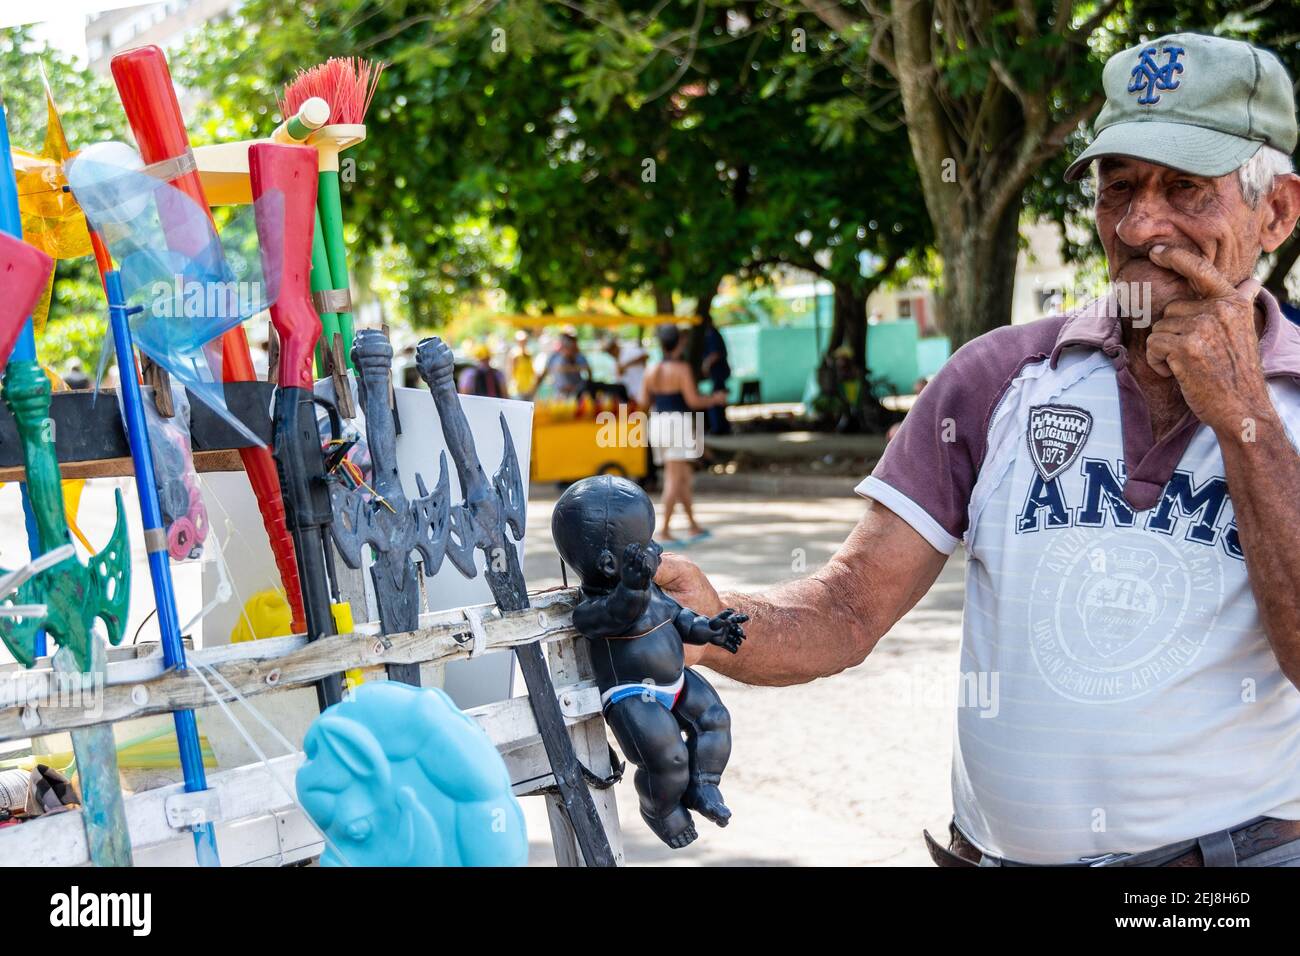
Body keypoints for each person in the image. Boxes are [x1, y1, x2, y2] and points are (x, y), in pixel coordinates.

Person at [657, 33, 1300, 867]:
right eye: (1118, 188)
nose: (1142, 225)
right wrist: (703, 623)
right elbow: (848, 610)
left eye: (1185, 189)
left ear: (1277, 211)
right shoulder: (997, 377)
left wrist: (1244, 414)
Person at [641, 324, 727, 544]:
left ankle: (692, 525)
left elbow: (643, 402)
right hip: (677, 422)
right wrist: (715, 399)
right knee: (674, 477)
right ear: (679, 342)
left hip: (657, 422)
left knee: (682, 476)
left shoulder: (651, 370)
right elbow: (694, 401)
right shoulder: (681, 369)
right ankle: (664, 530)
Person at [532, 331, 590, 399]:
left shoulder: (580, 356)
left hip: (577, 393)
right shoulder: (554, 356)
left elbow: (588, 370)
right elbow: (544, 373)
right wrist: (534, 389)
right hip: (559, 394)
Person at [700, 317, 731, 435]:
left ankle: (719, 427)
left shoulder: (712, 334)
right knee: (718, 399)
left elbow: (715, 354)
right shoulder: (711, 334)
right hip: (717, 373)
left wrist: (706, 365)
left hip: (718, 373)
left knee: (716, 399)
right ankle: (721, 426)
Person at [601, 332, 648, 406]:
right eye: (608, 352)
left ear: (615, 346)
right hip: (630, 397)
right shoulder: (614, 364)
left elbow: (645, 356)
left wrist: (626, 365)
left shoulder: (629, 351)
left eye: (610, 350)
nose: (610, 353)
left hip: (641, 391)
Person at [509, 330, 538, 397]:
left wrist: (533, 385)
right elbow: (511, 371)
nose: (523, 342)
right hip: (518, 388)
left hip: (529, 388)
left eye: (524, 340)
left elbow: (533, 370)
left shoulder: (529, 353)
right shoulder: (514, 354)